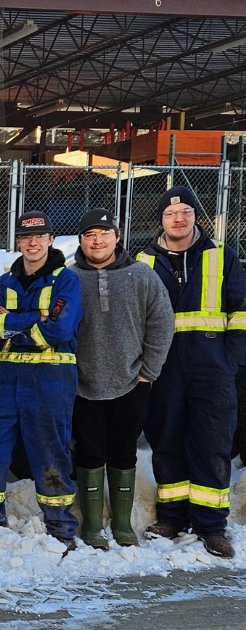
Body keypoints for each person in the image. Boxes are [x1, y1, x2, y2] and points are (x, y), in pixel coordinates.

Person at [135, 186, 246, 558]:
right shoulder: (144, 261)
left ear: (196, 216)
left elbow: (241, 310)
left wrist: (231, 360)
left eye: (185, 212)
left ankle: (211, 525)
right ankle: (172, 517)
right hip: (164, 367)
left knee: (212, 444)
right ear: (161, 220)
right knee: (166, 440)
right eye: (170, 213)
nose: (178, 219)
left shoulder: (222, 255)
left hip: (211, 366)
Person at [0, 211, 82, 550]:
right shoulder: (3, 283)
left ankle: (60, 526)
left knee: (50, 451)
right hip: (4, 379)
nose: (32, 243)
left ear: (51, 239)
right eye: (26, 237)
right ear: (18, 241)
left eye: (39, 236)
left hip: (51, 378)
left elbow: (60, 329)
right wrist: (38, 317)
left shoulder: (66, 280)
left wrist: (14, 321)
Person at [71, 209, 173, 550]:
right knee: (88, 452)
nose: (97, 240)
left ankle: (122, 523)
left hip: (132, 382)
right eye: (90, 235)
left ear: (117, 237)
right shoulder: (69, 278)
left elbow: (162, 323)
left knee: (124, 452)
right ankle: (92, 524)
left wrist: (148, 371)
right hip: (83, 384)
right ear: (81, 240)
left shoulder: (141, 275)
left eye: (104, 233)